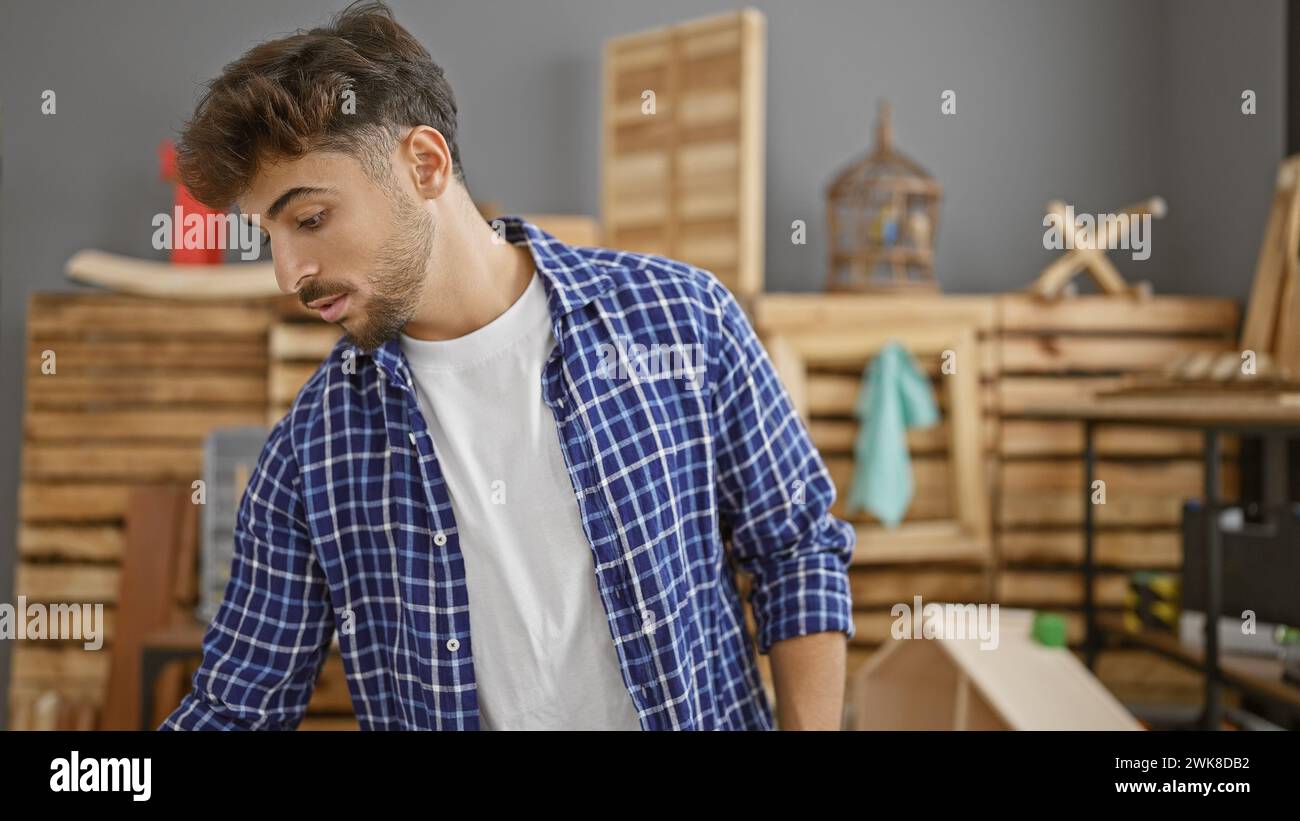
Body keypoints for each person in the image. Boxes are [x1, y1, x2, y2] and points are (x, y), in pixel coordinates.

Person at [159, 0, 855, 731]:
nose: (289, 272)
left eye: (309, 219)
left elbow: (795, 546)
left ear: (423, 165)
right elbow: (234, 708)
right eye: (269, 234)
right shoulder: (311, 452)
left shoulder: (682, 318)